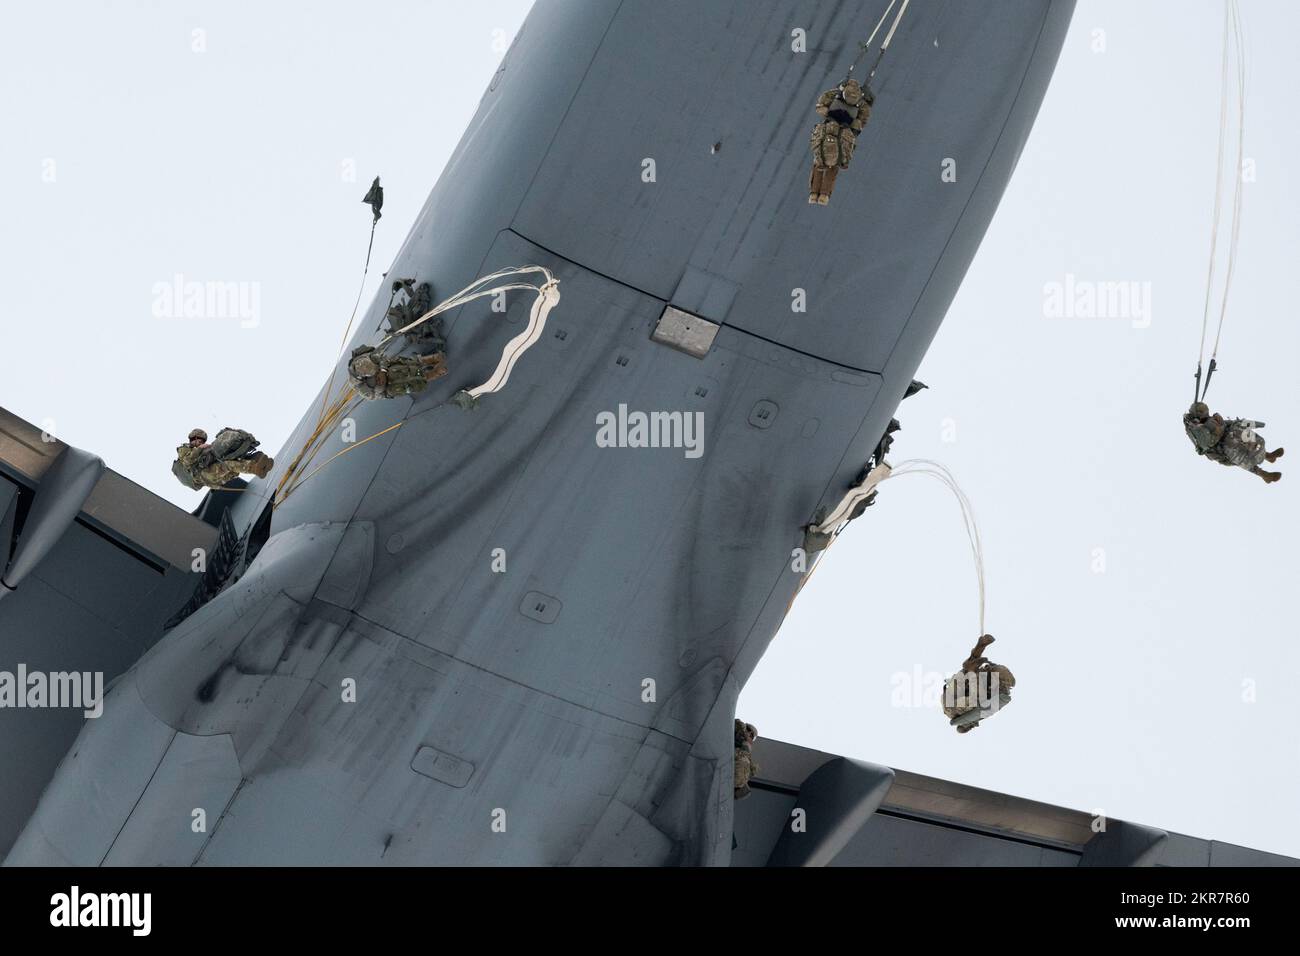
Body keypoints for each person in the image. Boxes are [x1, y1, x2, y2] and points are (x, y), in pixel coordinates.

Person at [809, 77, 873, 204]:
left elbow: (822, 102)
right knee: (833, 167)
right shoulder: (861, 103)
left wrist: (837, 90)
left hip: (827, 132)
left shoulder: (837, 95)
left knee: (818, 164)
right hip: (842, 138)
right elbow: (862, 121)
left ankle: (813, 194)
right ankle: (824, 196)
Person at [1183, 401, 1283, 483]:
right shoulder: (1196, 431)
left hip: (1231, 436)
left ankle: (1268, 456)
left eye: (1206, 411)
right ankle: (1264, 475)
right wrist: (1212, 430)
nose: (1206, 414)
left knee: (1249, 438)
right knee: (1243, 457)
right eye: (1203, 412)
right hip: (1223, 450)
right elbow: (1209, 443)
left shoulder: (1209, 420)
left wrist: (1250, 424)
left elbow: (1227, 423)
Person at [942, 634, 1015, 734]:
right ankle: (979, 648)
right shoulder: (991, 685)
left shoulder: (966, 720)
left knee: (975, 697)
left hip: (952, 705)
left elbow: (978, 708)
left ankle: (973, 665)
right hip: (956, 693)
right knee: (969, 675)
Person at [173, 427, 273, 490]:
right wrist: (200, 449)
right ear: (192, 439)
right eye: (197, 439)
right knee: (228, 465)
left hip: (214, 478)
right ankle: (254, 468)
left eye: (202, 440)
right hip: (203, 475)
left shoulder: (203, 451)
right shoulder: (184, 449)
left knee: (230, 460)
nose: (200, 442)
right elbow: (187, 461)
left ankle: (257, 461)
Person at [347, 344, 447, 400]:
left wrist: (382, 371)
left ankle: (432, 359)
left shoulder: (365, 361)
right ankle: (432, 374)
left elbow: (382, 358)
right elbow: (376, 396)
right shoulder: (360, 386)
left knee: (405, 366)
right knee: (400, 386)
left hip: (390, 368)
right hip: (387, 386)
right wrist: (381, 387)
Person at [734, 719, 759, 799]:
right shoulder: (738, 728)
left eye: (752, 736)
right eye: (749, 730)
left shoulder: (746, 747)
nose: (749, 735)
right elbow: (738, 724)